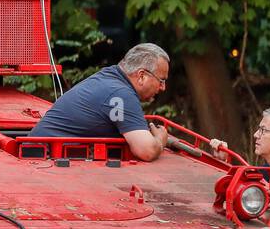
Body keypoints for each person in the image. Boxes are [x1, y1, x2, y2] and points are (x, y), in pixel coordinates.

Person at [27, 43, 170, 161]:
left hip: (38, 156)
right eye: (161, 80)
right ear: (141, 76)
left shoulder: (110, 79)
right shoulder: (120, 94)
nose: (163, 87)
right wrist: (160, 141)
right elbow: (147, 151)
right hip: (41, 161)